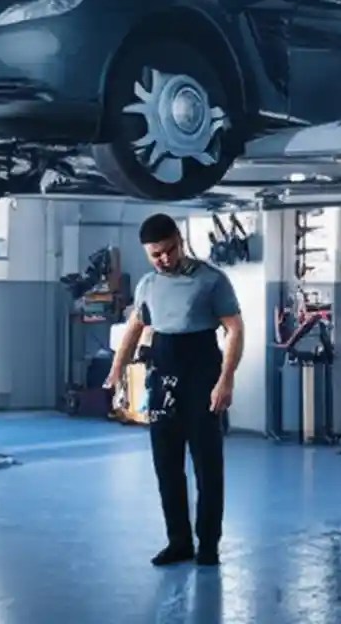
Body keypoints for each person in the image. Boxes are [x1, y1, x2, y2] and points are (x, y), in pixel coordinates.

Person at [105, 213, 244, 565]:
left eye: (168, 250)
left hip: (202, 375)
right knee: (167, 466)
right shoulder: (148, 285)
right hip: (163, 376)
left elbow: (235, 330)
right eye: (155, 255)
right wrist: (117, 368)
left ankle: (208, 544)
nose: (163, 259)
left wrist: (225, 379)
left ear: (179, 241)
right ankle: (179, 541)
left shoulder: (211, 280)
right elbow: (135, 328)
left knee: (207, 467)